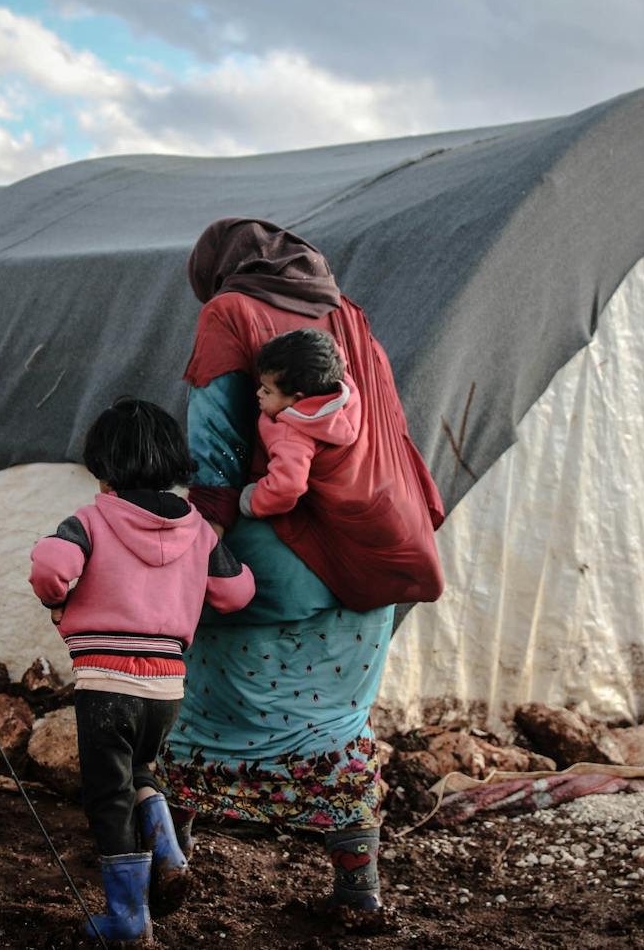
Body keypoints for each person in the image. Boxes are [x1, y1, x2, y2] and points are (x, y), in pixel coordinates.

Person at [159, 218, 445, 919]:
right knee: (335, 730)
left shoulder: (230, 311)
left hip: (274, 560)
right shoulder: (347, 316)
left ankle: (168, 857)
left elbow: (216, 442)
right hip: (364, 568)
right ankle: (358, 887)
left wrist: (202, 544)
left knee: (198, 714)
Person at [29, 398, 255, 942]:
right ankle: (168, 846)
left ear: (105, 469)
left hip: (106, 686)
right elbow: (236, 592)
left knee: (108, 796)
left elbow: (51, 569)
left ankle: (129, 922)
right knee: (140, 770)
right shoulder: (197, 528)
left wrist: (57, 599)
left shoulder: (90, 518)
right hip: (165, 689)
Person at [240, 328, 359, 522]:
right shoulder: (342, 387)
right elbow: (333, 352)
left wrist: (251, 500)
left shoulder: (292, 436)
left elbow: (286, 487)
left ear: (297, 399)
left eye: (267, 391)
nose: (258, 393)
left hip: (333, 515)